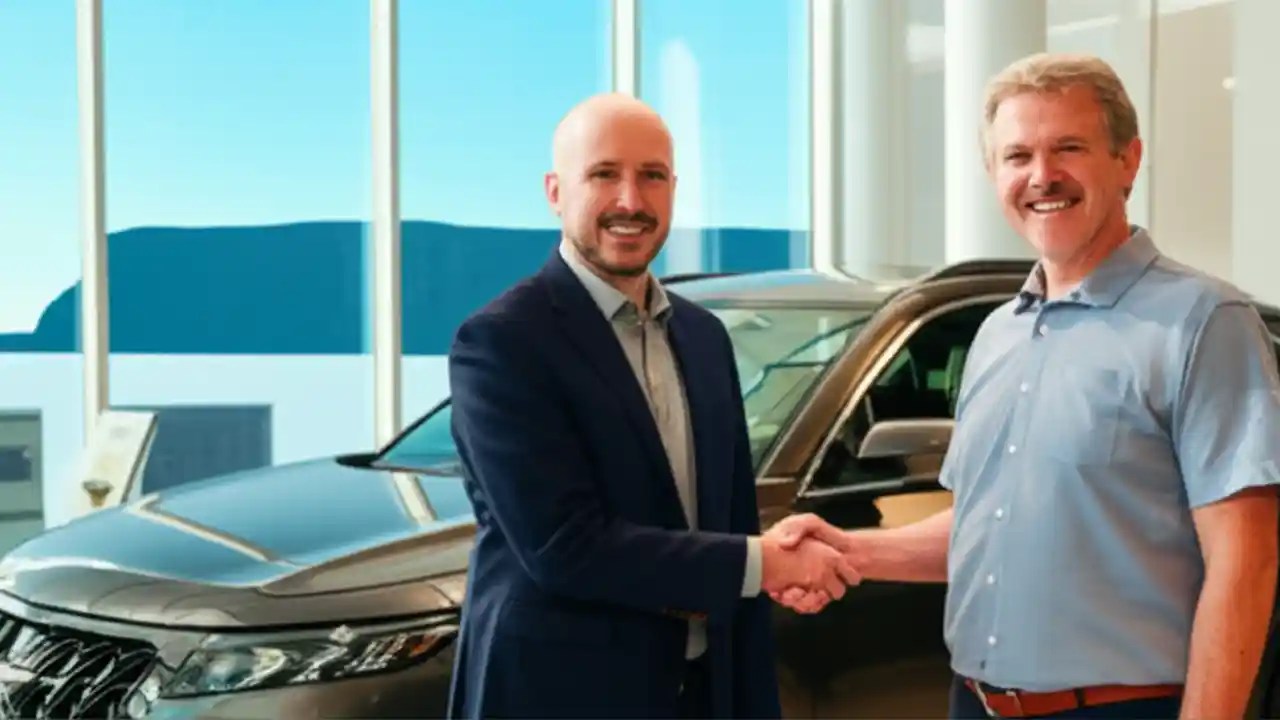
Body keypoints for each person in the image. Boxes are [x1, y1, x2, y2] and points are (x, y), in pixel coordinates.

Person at [772, 52, 1280, 719]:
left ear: (1128, 161)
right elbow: (981, 531)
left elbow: (1246, 564)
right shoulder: (996, 335)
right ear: (993, 174)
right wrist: (845, 551)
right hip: (974, 702)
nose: (1042, 177)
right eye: (1017, 156)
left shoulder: (1203, 323)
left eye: (1068, 147)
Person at [444, 92, 860, 720]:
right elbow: (565, 546)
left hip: (699, 691)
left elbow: (730, 520)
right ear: (556, 192)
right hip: (561, 696)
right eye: (604, 174)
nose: (631, 202)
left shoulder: (704, 336)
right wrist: (766, 562)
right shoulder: (503, 340)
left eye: (652, 177)